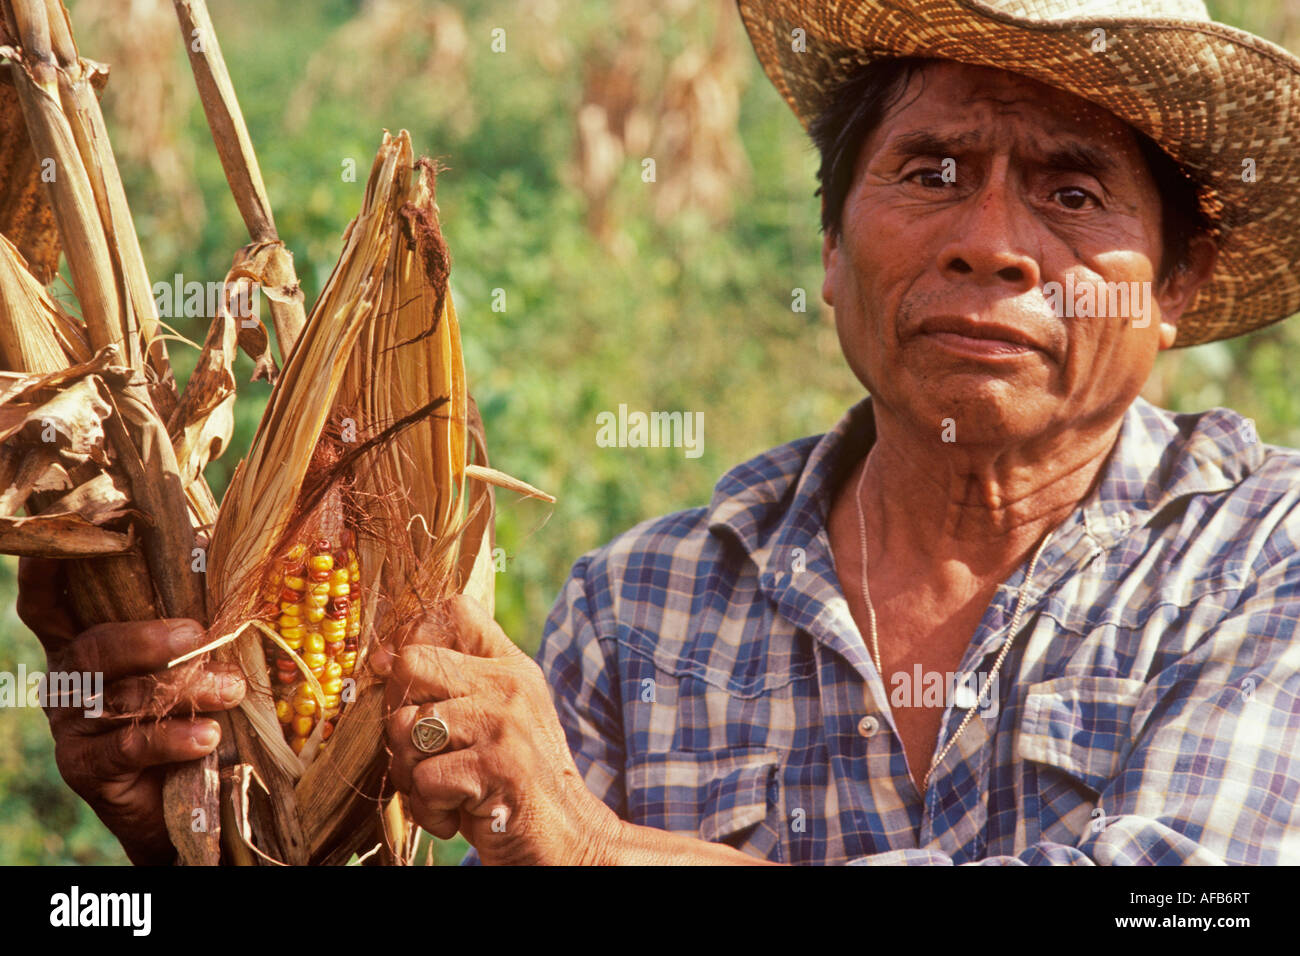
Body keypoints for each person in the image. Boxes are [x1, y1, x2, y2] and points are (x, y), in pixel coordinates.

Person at [19, 0, 1300, 865]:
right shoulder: (638, 608)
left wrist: (588, 839)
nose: (990, 240)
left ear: (1173, 289)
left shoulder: (1263, 561)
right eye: (931, 173)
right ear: (833, 251)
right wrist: (200, 823)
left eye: (1073, 191)